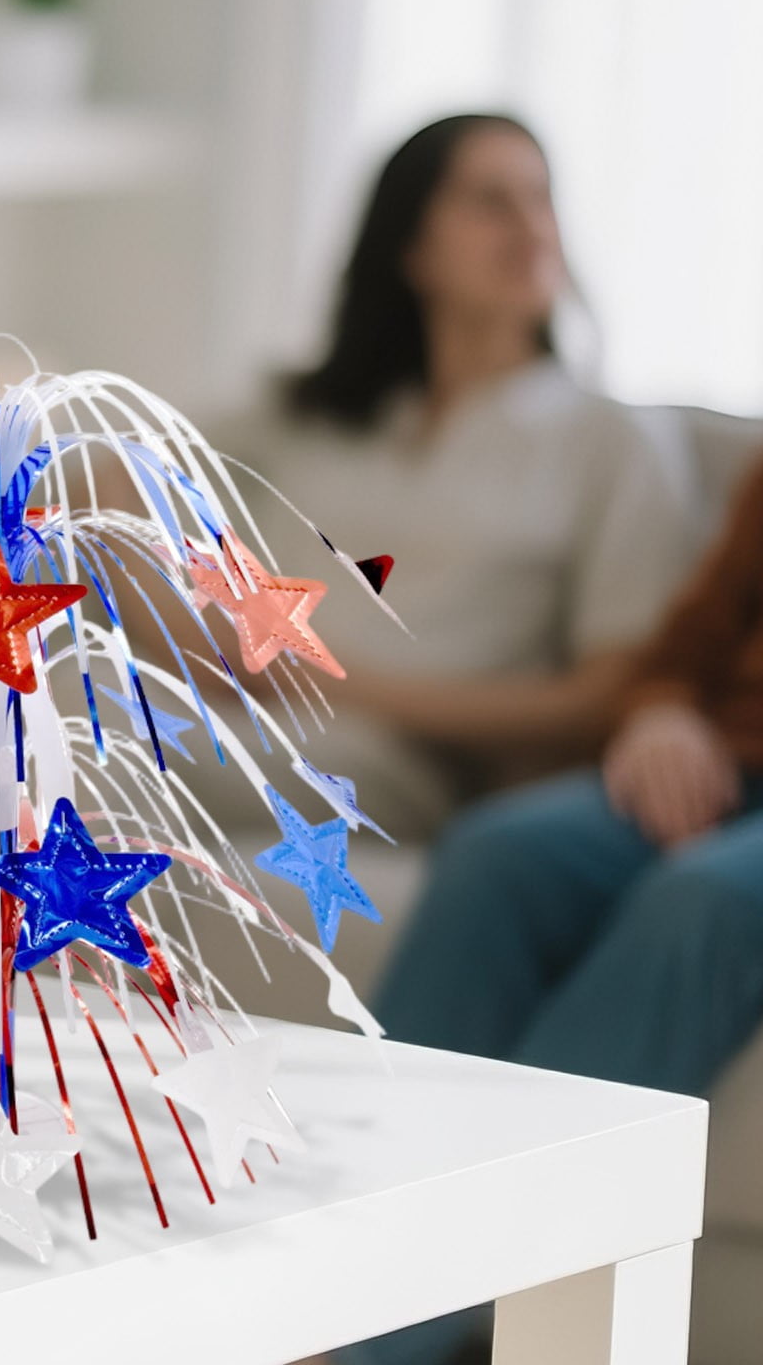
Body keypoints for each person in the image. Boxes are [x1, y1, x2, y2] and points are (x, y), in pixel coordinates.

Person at [336, 453, 763, 1365]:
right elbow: (685, 649)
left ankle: (407, 1325)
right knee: (495, 856)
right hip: (727, 761)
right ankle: (345, 1305)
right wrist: (663, 712)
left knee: (700, 903)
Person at [214, 114, 694, 840]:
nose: (531, 229)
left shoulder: (613, 440)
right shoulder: (323, 413)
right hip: (264, 713)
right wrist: (210, 647)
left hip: (405, 761)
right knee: (56, 705)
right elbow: (112, 470)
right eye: (492, 202)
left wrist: (341, 687)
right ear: (412, 247)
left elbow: (609, 694)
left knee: (112, 758)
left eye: (541, 199)